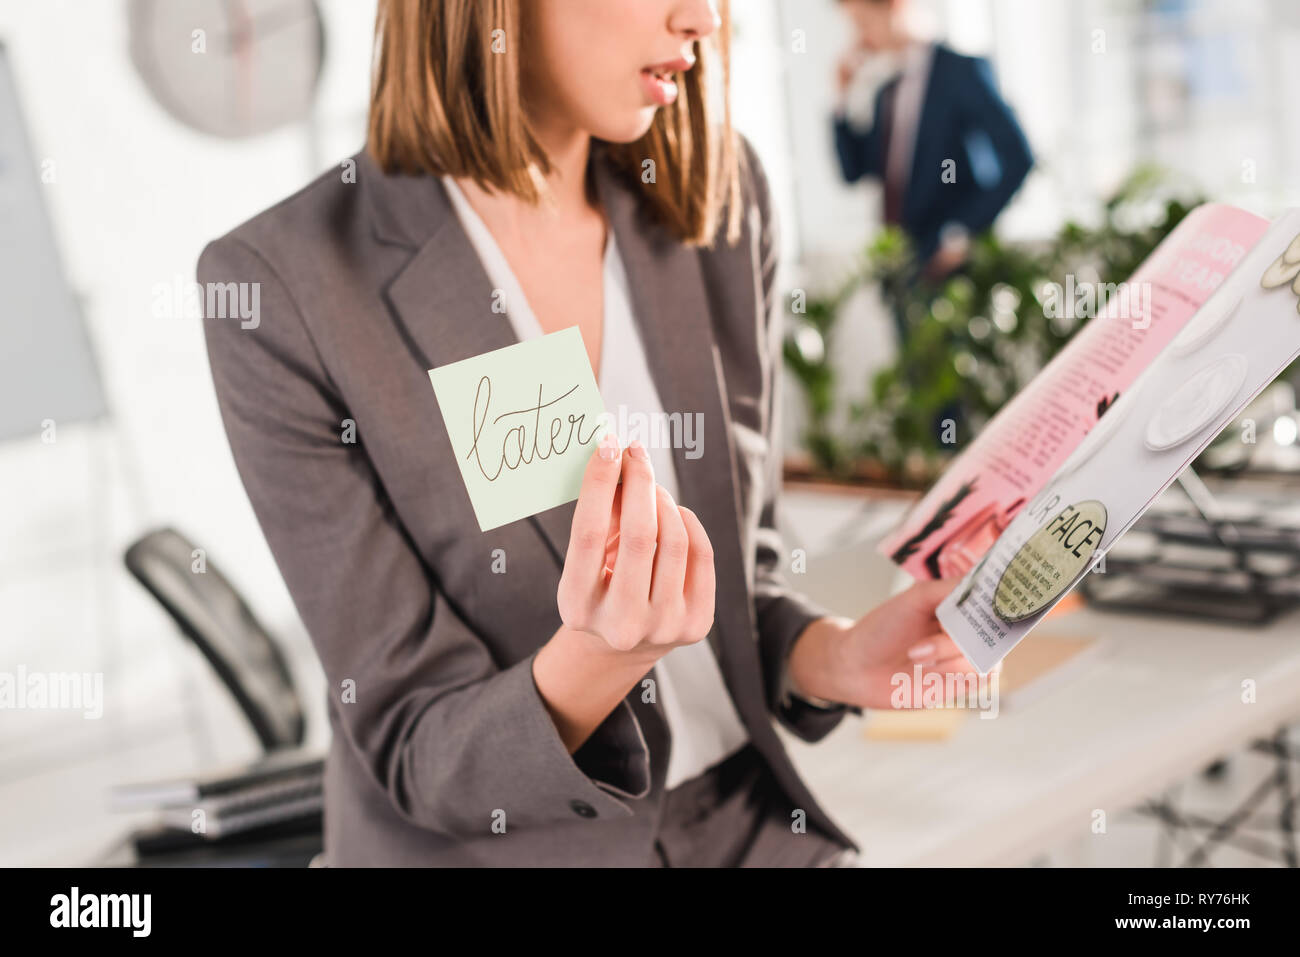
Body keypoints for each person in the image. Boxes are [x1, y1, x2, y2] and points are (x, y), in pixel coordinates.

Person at [198, 0, 977, 867]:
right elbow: (413, 739)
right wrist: (598, 660)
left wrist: (830, 655)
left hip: (749, 828)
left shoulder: (719, 195)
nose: (704, 20)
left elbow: (736, 577)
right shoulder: (285, 286)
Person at [832, 0, 1034, 296]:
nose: (859, 38)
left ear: (895, 8)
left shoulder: (959, 71)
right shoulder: (886, 91)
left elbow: (1018, 157)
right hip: (900, 269)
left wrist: (961, 232)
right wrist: (841, 99)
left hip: (951, 269)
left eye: (863, 23)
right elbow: (854, 171)